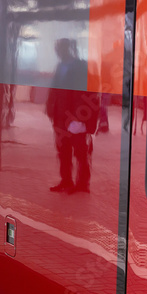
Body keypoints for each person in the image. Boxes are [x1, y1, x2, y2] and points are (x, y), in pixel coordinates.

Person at [46, 39, 99, 194]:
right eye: (57, 49)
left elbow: (86, 93)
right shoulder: (60, 66)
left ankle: (82, 184)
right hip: (60, 117)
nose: (59, 52)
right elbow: (54, 90)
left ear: (69, 49)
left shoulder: (81, 67)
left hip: (76, 117)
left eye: (61, 48)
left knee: (80, 152)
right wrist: (51, 109)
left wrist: (80, 118)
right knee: (63, 151)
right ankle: (66, 181)